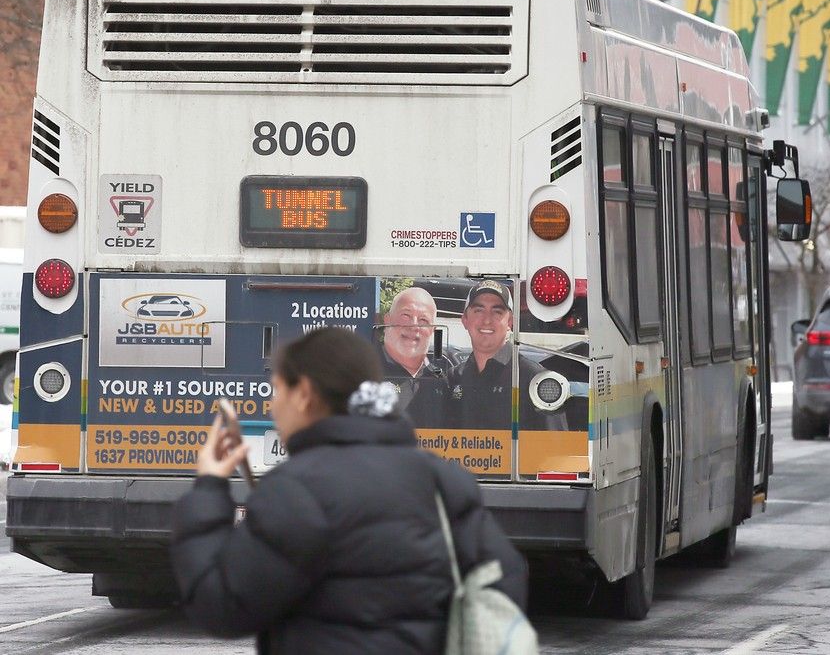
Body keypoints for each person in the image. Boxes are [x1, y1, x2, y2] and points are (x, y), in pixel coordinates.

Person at [171, 328, 527, 655]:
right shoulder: (443, 479)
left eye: (279, 390)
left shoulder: (296, 490)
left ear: (305, 394)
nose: (272, 404)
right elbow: (504, 575)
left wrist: (208, 490)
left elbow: (223, 606)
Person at [449, 280, 568, 431]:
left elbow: (556, 448)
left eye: (497, 312)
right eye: (479, 310)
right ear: (465, 320)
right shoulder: (454, 377)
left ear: (510, 322)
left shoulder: (537, 380)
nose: (487, 320)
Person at [379, 286, 451, 427]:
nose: (414, 326)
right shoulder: (363, 371)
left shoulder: (443, 378)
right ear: (387, 320)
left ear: (432, 330)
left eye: (423, 320)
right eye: (406, 315)